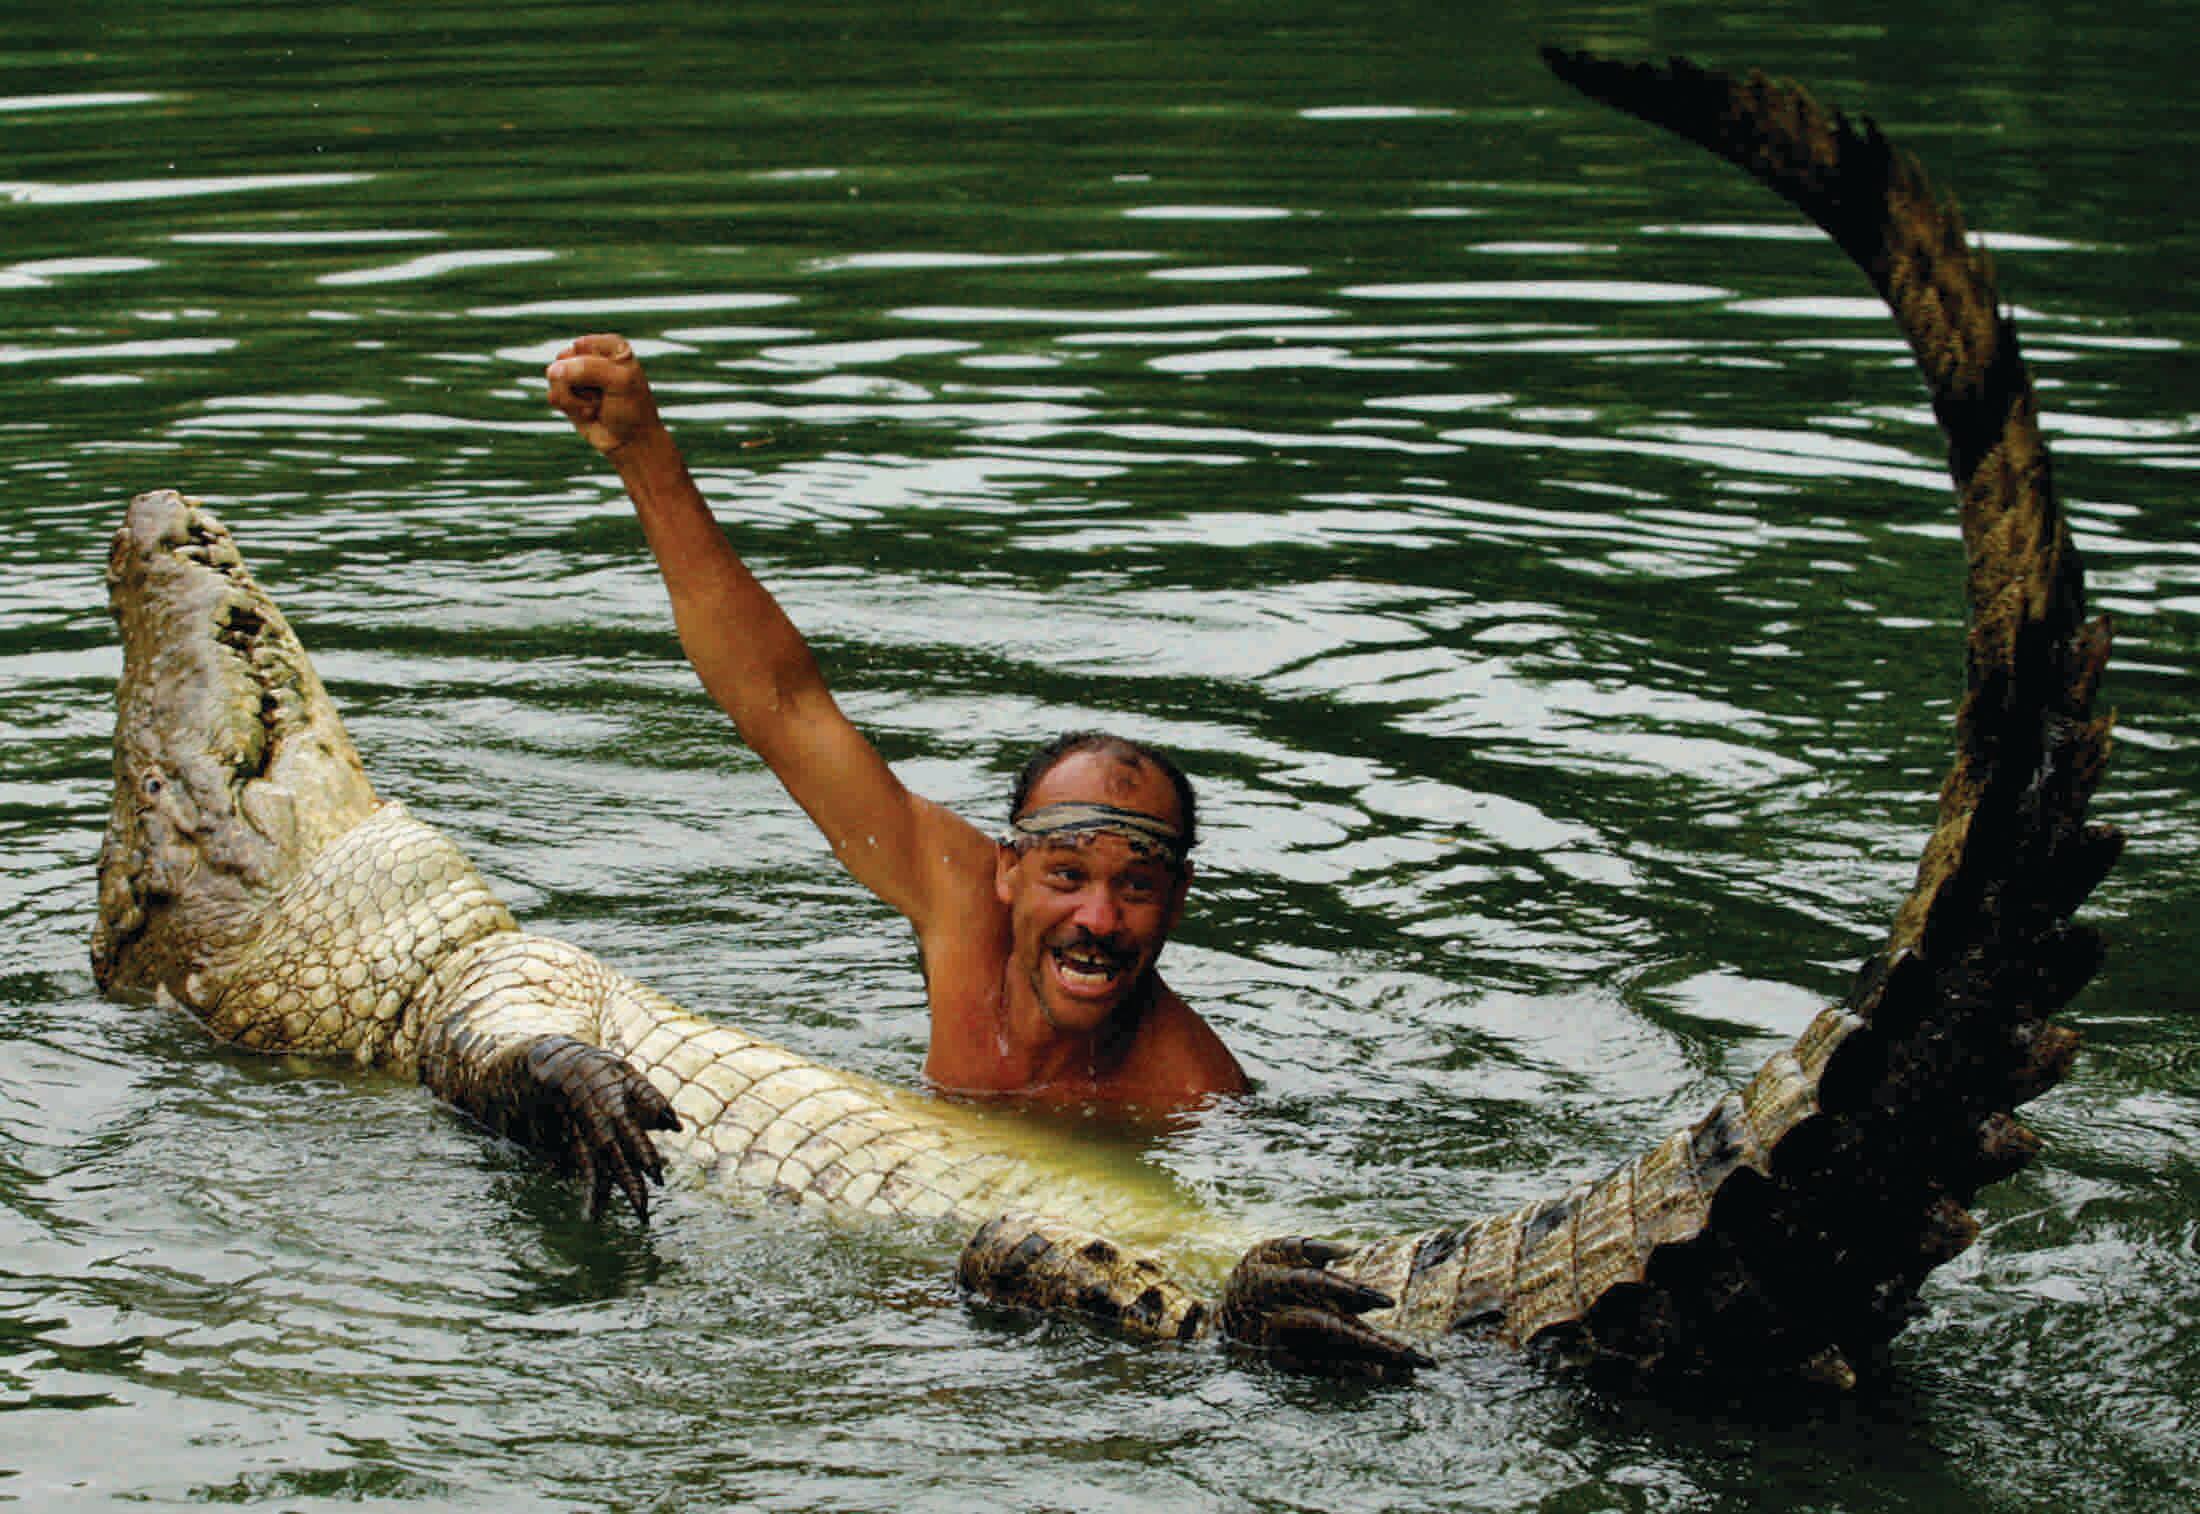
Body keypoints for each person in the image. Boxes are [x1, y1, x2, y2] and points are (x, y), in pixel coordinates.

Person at [544, 334, 1249, 1109]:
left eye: (1137, 886)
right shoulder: (960, 905)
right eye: (1067, 875)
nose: (1099, 918)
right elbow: (782, 708)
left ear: (1179, 899)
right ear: (1008, 873)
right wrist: (642, 450)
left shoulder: (1191, 1092)